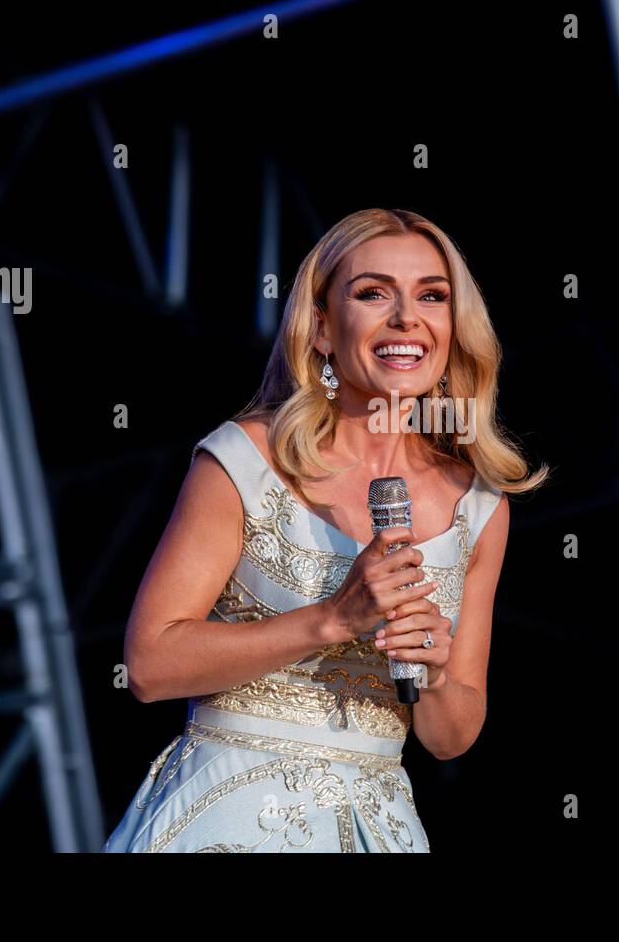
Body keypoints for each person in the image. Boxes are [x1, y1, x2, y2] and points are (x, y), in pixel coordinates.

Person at [103, 208, 547, 852]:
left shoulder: (480, 504)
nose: (406, 317)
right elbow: (148, 664)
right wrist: (334, 618)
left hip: (379, 825)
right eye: (372, 293)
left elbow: (451, 738)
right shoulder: (245, 461)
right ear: (320, 328)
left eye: (432, 295)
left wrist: (438, 674)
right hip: (228, 816)